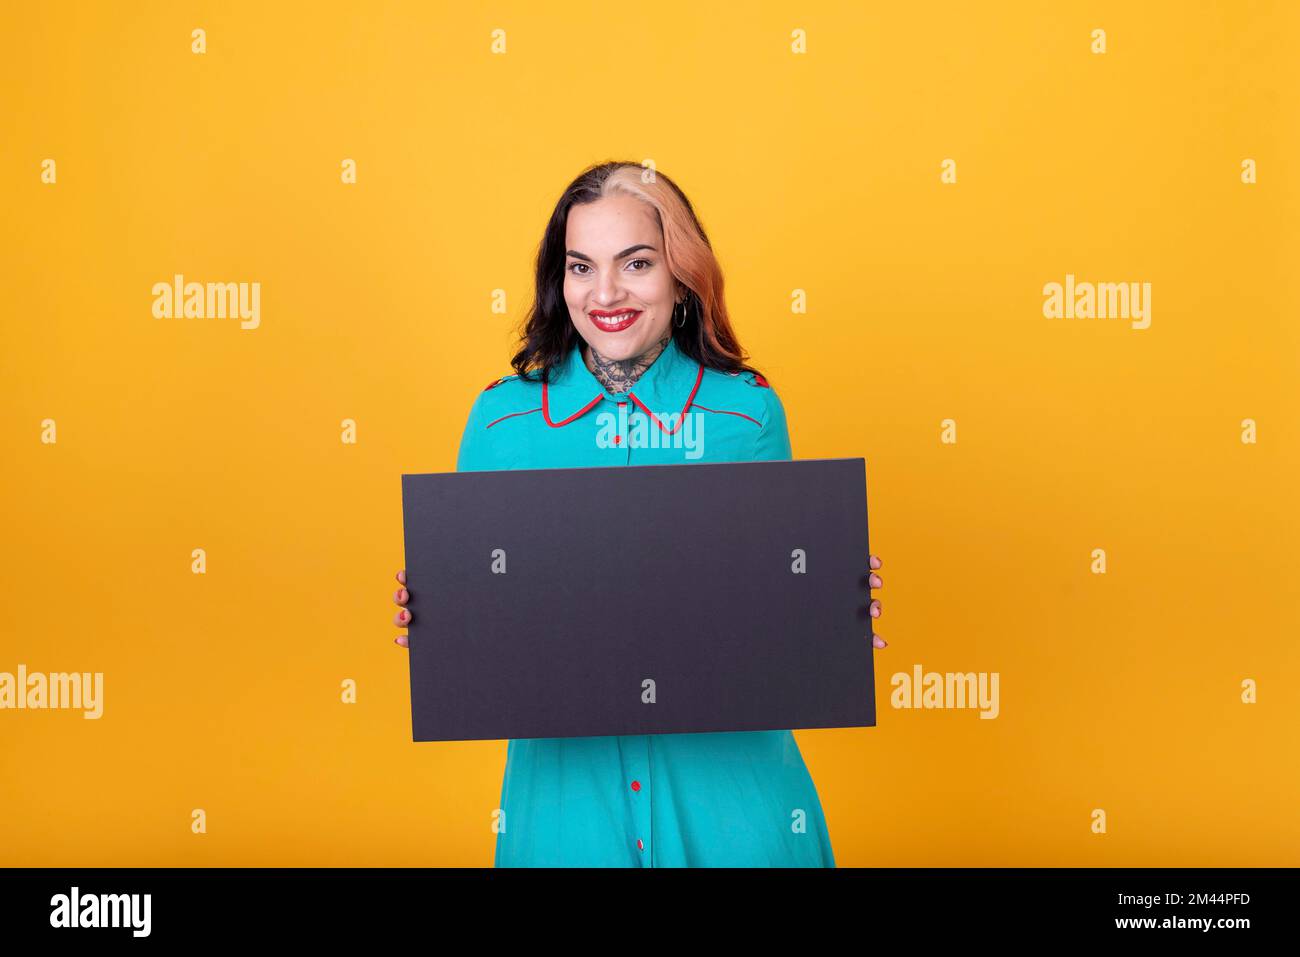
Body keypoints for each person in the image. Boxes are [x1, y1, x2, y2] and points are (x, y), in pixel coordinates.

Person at [390, 161, 887, 866]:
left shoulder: (747, 414)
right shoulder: (500, 423)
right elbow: (484, 621)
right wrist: (440, 620)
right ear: (558, 282)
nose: (607, 293)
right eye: (581, 267)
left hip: (734, 812)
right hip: (564, 817)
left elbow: (775, 603)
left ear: (681, 273)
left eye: (637, 263)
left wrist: (827, 603)